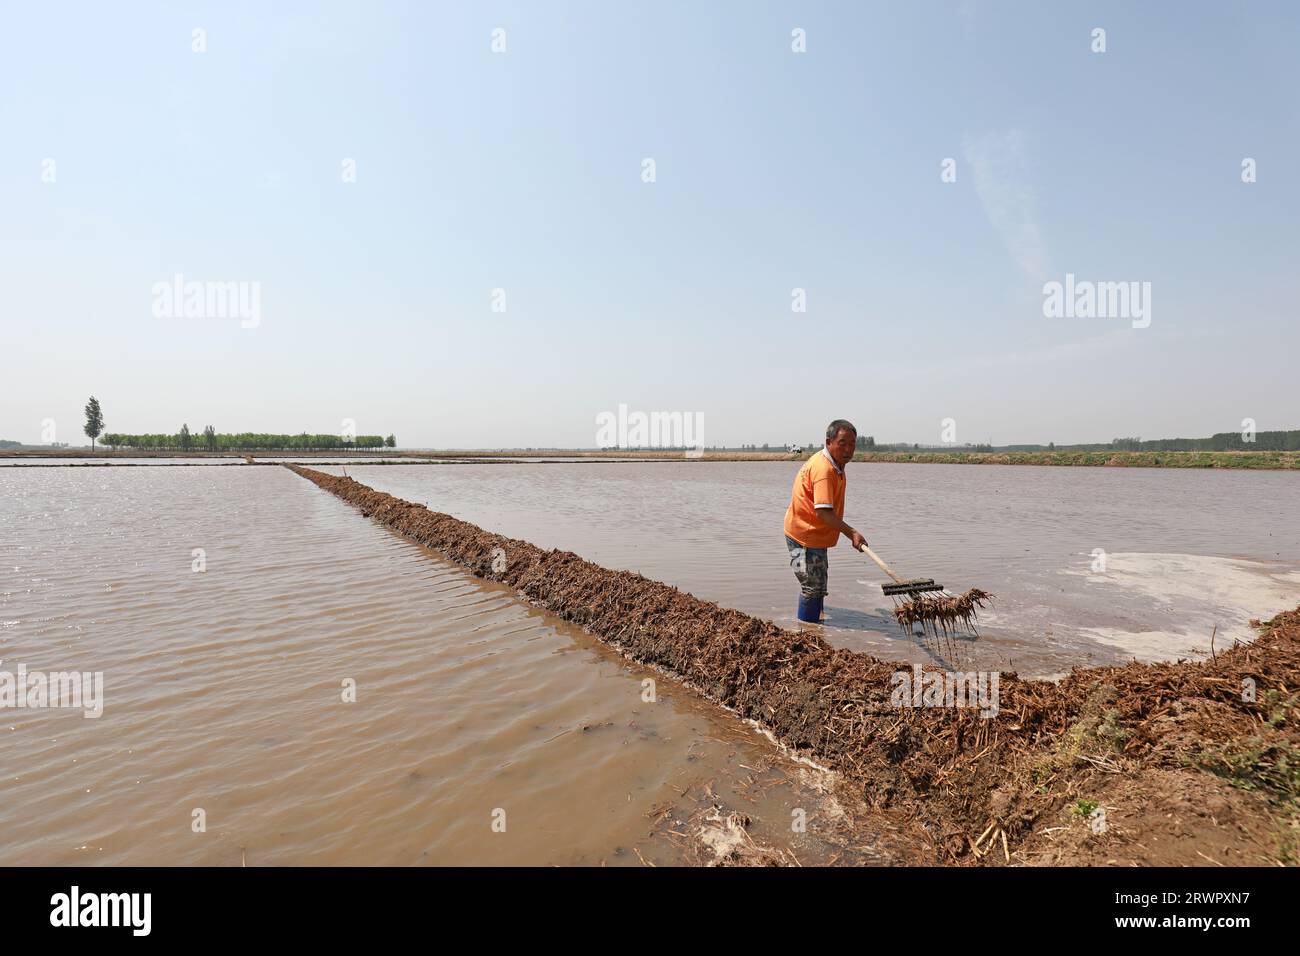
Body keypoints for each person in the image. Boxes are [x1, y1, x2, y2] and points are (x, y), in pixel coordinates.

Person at [782, 419, 867, 623]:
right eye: (843, 443)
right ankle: (807, 632)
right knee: (812, 587)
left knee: (818, 583)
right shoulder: (824, 470)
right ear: (829, 442)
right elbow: (824, 513)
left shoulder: (834, 464)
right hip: (803, 538)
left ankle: (815, 623)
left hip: (813, 535)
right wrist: (852, 533)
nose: (848, 449)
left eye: (852, 444)